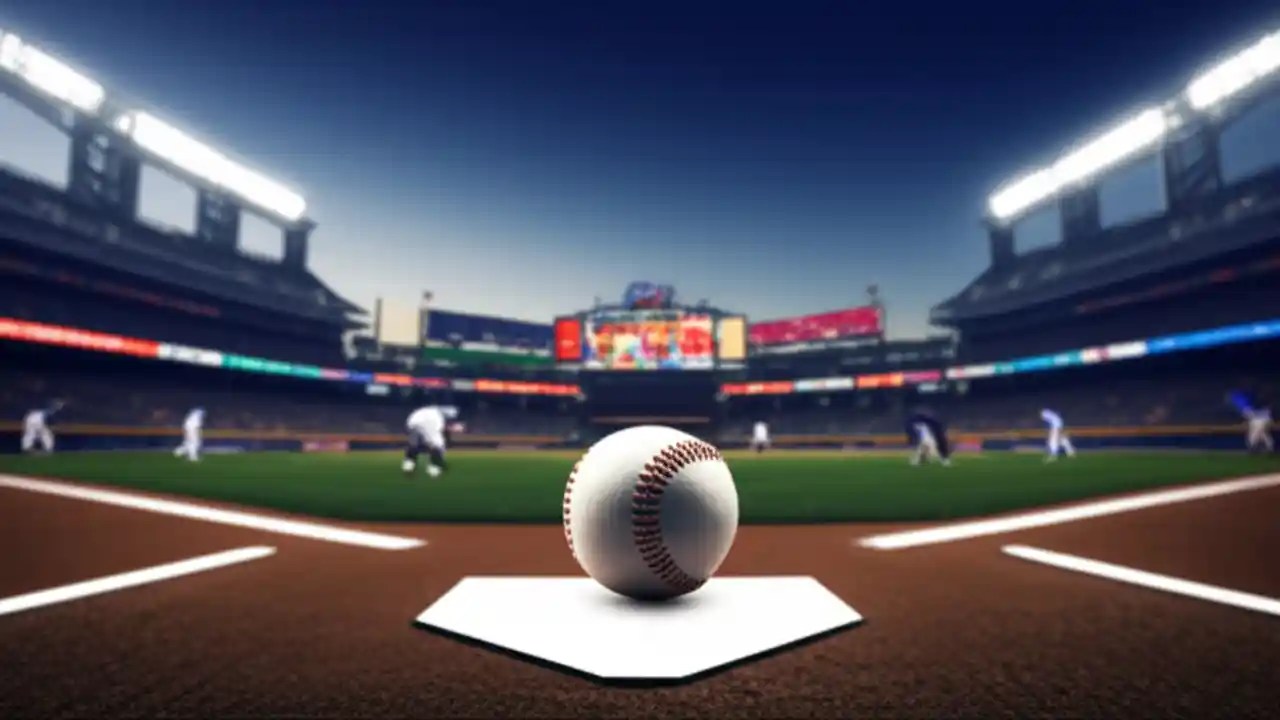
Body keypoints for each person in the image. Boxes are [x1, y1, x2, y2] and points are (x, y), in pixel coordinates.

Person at [404, 404, 452, 477]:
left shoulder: (426, 411)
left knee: (413, 447)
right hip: (427, 422)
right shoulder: (438, 416)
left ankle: (408, 468)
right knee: (437, 446)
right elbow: (441, 430)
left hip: (412, 422)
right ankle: (434, 469)